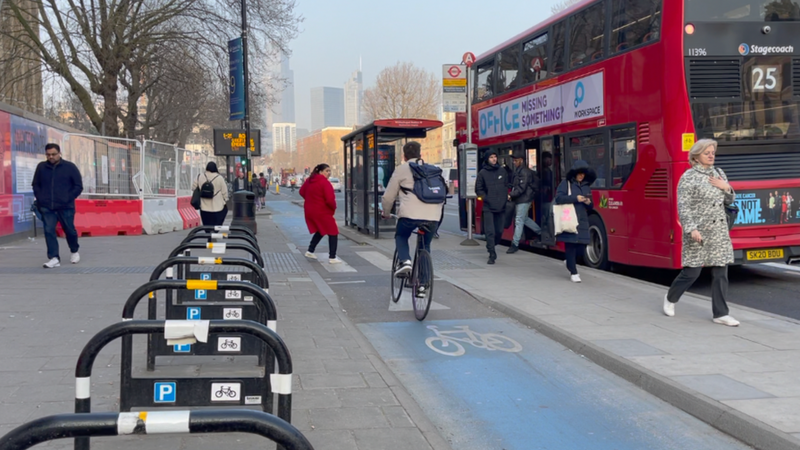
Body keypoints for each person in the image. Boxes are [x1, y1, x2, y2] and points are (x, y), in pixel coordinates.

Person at [663, 139, 739, 327]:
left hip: (719, 230)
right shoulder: (688, 177)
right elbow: (683, 206)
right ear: (696, 156)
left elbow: (729, 200)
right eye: (707, 153)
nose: (711, 155)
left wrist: (726, 187)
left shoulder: (719, 172)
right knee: (692, 271)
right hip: (699, 231)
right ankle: (671, 297)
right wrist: (691, 229)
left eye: (713, 152)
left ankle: (721, 313)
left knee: (721, 270)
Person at [382, 141, 443, 295]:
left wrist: (386, 212)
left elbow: (388, 197)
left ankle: (405, 261)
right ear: (420, 154)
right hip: (433, 216)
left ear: (404, 156)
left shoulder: (402, 169)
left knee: (401, 235)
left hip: (410, 215)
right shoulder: (432, 169)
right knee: (425, 246)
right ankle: (423, 285)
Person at [31, 143, 83, 268]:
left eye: (53, 154)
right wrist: (41, 198)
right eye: (48, 155)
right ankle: (54, 257)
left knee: (69, 229)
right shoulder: (41, 167)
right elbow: (36, 184)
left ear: (59, 153)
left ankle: (74, 250)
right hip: (47, 206)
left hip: (66, 206)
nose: (51, 157)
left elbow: (78, 186)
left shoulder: (69, 167)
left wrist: (68, 198)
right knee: (49, 230)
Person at [555, 160, 595, 283]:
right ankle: (574, 272)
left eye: (583, 174)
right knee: (571, 245)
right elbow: (559, 198)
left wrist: (589, 203)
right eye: (579, 173)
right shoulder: (565, 183)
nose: (581, 176)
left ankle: (569, 260)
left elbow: (591, 205)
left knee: (582, 246)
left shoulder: (586, 185)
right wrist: (575, 198)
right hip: (569, 219)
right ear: (574, 173)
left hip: (582, 220)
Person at [300, 164, 341, 264]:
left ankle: (310, 250)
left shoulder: (309, 181)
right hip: (322, 211)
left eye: (329, 171)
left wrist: (311, 200)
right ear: (320, 172)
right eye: (327, 171)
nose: (329, 173)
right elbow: (330, 199)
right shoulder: (324, 183)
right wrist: (333, 208)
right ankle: (332, 257)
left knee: (321, 229)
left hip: (310, 210)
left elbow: (301, 192)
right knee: (333, 231)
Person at [475, 150, 509, 264]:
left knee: (499, 230)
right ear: (487, 159)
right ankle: (492, 253)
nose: (494, 159)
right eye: (491, 157)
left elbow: (506, 185)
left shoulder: (502, 171)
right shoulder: (482, 173)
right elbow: (478, 189)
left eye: (495, 157)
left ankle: (493, 244)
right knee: (490, 231)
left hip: (501, 206)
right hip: (488, 207)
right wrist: (486, 198)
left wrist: (505, 198)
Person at [507, 149, 541, 253]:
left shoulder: (524, 172)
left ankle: (515, 243)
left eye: (515, 160)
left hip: (524, 199)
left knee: (519, 220)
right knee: (524, 219)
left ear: (521, 160)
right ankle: (540, 232)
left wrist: (510, 195)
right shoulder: (520, 171)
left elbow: (521, 188)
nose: (514, 162)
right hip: (523, 198)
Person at [192, 162, 229, 227]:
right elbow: (224, 191)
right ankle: (215, 233)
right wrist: (225, 199)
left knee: (207, 225)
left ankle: (208, 234)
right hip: (217, 206)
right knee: (218, 221)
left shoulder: (200, 176)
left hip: (204, 206)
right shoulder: (219, 178)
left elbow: (193, 187)